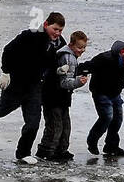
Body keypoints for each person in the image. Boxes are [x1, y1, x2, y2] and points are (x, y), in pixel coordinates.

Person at [0, 12, 65, 164]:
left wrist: (57, 70)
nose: (57, 33)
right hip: (16, 84)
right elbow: (8, 50)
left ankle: (23, 153)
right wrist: (5, 72)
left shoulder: (58, 42)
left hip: (34, 86)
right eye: (55, 29)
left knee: (33, 123)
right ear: (46, 25)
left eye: (60, 30)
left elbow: (51, 60)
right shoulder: (29, 36)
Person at [77, 40, 124, 156]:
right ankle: (92, 140)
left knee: (117, 119)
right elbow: (87, 66)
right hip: (100, 91)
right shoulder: (105, 59)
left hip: (115, 92)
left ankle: (111, 146)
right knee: (107, 117)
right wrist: (73, 73)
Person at [36, 30, 90, 161]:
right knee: (56, 125)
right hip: (53, 97)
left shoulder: (68, 55)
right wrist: (78, 82)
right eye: (79, 47)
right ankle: (47, 150)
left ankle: (61, 149)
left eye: (84, 47)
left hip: (61, 98)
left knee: (65, 125)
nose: (82, 50)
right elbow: (64, 82)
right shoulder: (68, 58)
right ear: (71, 45)